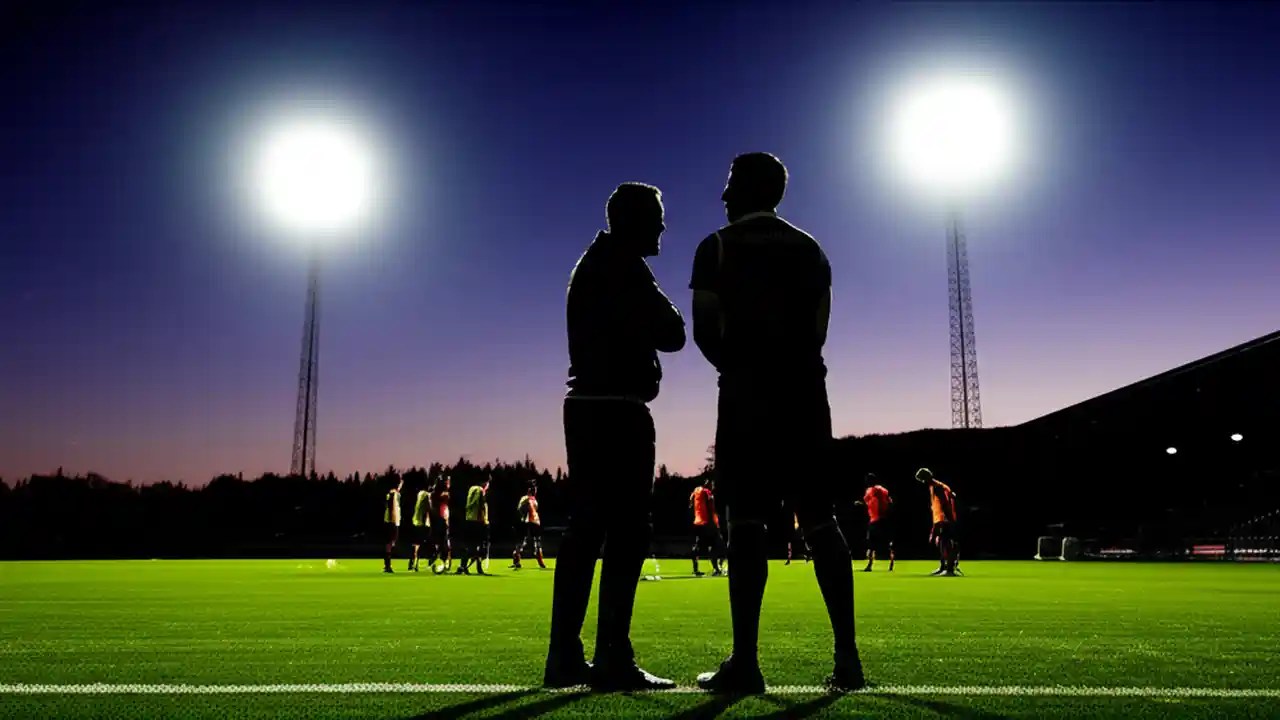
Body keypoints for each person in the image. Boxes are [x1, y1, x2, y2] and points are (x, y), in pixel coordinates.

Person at [690, 152, 864, 693]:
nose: (722, 194)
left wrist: (741, 368)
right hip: (806, 396)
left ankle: (746, 663)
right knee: (819, 520)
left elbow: (703, 329)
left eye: (728, 184)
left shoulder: (715, 247)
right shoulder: (811, 249)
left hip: (746, 398)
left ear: (744, 188)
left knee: (745, 525)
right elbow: (819, 329)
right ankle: (848, 659)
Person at [544, 182, 685, 691]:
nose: (664, 227)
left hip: (590, 408)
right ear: (634, 219)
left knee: (589, 529)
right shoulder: (623, 265)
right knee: (625, 532)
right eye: (658, 216)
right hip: (616, 409)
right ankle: (611, 658)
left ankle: (566, 656)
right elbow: (674, 332)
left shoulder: (602, 262)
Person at [916, 468, 958, 576]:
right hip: (940, 519)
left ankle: (949, 570)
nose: (923, 482)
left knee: (946, 543)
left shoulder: (938, 487)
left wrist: (948, 520)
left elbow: (945, 505)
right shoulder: (934, 487)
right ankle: (943, 567)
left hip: (944, 519)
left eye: (922, 479)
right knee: (941, 543)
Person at [690, 478, 727, 576]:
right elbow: (711, 508)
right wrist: (715, 524)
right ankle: (716, 569)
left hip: (698, 522)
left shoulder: (696, 491)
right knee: (718, 545)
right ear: (708, 483)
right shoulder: (707, 493)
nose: (713, 486)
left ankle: (695, 569)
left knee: (698, 547)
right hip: (708, 524)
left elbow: (690, 503)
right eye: (712, 483)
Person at [456, 476, 490, 575]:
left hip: (469, 520)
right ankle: (479, 568)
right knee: (480, 546)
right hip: (478, 521)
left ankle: (463, 566)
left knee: (469, 545)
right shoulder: (480, 490)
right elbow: (481, 505)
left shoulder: (471, 489)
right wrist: (484, 520)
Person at [860, 474, 894, 572]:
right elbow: (890, 502)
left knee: (871, 543)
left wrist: (861, 504)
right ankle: (891, 563)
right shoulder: (884, 490)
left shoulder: (870, 490)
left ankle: (869, 565)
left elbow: (866, 501)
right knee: (886, 542)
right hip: (883, 519)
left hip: (875, 520)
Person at [512, 483, 547, 570]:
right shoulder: (525, 498)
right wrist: (523, 515)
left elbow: (535, 510)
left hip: (535, 522)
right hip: (527, 522)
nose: (535, 491)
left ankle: (539, 559)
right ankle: (516, 559)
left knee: (537, 541)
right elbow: (520, 508)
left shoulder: (534, 500)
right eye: (534, 489)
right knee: (524, 541)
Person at [429, 475, 452, 573]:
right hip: (441, 520)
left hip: (435, 521)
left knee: (438, 543)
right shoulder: (443, 495)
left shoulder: (433, 495)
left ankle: (436, 559)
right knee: (444, 544)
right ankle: (442, 562)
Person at [409, 481, 432, 572]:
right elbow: (428, 509)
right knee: (426, 542)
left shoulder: (420, 494)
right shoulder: (427, 496)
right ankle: (424, 562)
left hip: (416, 521)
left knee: (416, 543)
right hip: (423, 523)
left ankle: (412, 562)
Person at [383, 476, 403, 574]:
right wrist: (392, 520)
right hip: (392, 521)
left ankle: (387, 565)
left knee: (390, 543)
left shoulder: (393, 493)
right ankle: (387, 566)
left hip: (392, 521)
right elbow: (391, 506)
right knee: (390, 543)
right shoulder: (393, 494)